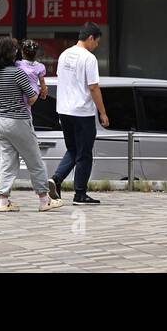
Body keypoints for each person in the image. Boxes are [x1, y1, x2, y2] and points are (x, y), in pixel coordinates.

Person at [0, 36, 63, 213]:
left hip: (3, 122)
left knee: (7, 163)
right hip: (20, 120)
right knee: (35, 160)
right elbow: (32, 98)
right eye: (13, 49)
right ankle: (44, 199)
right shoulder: (18, 73)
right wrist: (39, 89)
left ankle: (3, 202)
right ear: (8, 53)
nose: (16, 52)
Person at [50, 22, 109, 206]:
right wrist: (103, 112)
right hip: (82, 112)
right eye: (97, 42)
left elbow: (62, 79)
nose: (96, 46)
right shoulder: (89, 58)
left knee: (73, 149)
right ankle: (80, 194)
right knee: (84, 154)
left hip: (64, 110)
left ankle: (56, 179)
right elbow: (93, 87)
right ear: (90, 38)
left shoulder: (64, 55)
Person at [17, 39, 49, 104]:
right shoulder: (40, 66)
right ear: (36, 54)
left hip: (22, 91)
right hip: (34, 91)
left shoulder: (18, 64)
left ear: (22, 53)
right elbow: (42, 82)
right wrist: (44, 94)